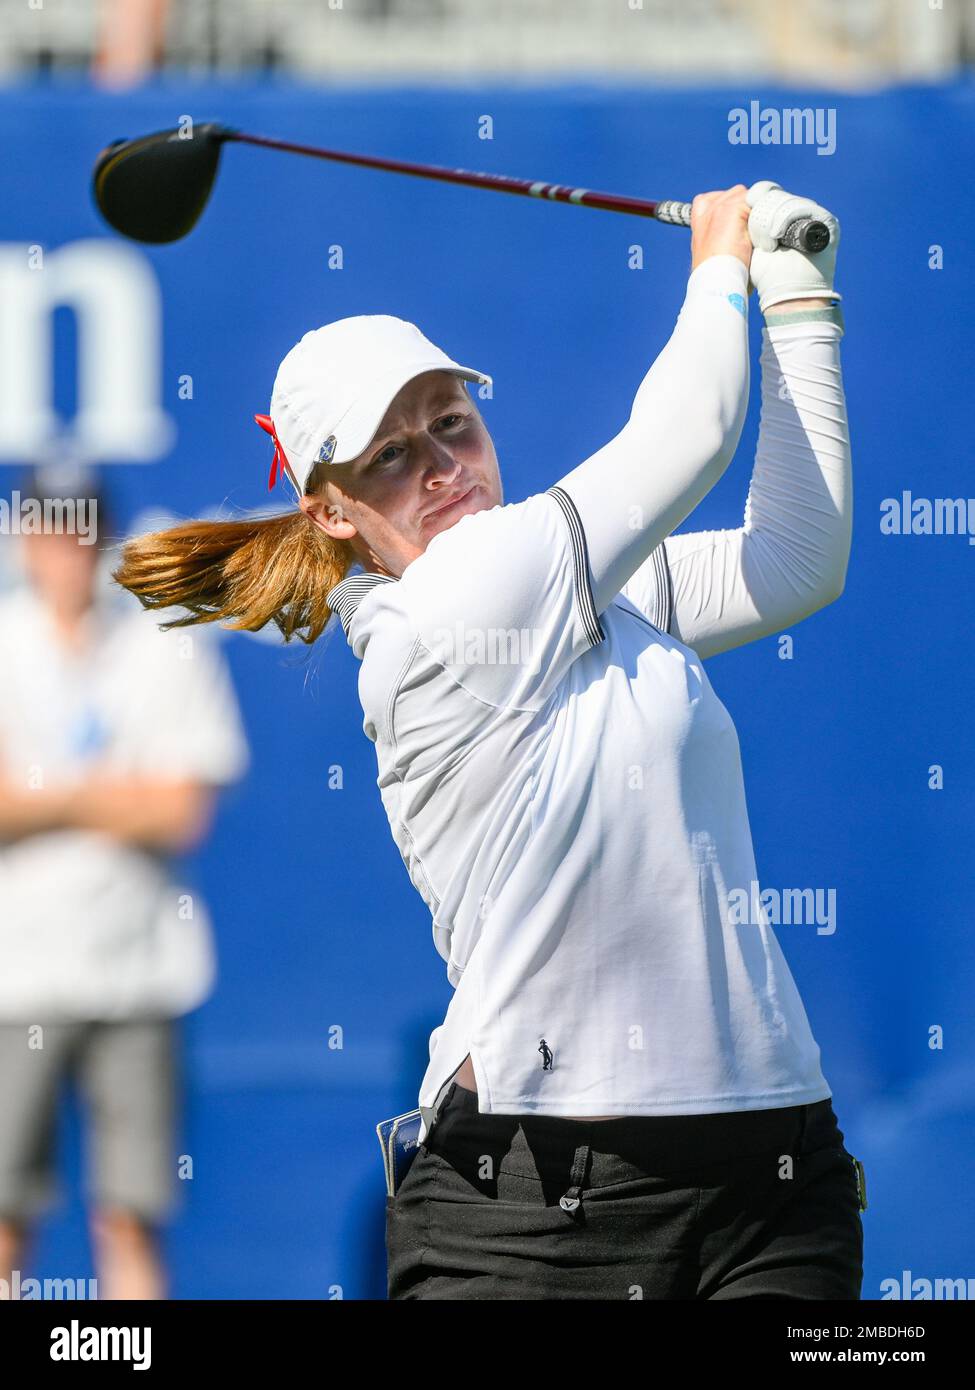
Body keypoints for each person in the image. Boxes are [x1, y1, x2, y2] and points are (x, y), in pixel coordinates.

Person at [112, 180, 861, 1300]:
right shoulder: (448, 608)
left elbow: (796, 560)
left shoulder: (576, 585)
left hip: (771, 1166)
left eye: (450, 422)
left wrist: (799, 300)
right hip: (543, 1201)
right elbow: (692, 431)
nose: (441, 466)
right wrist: (718, 259)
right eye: (390, 459)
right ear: (331, 511)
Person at [0, 466, 250, 1300]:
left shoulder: (161, 643)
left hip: (141, 973)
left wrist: (45, 793)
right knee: (5, 1214)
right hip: (16, 979)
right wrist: (112, 792)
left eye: (81, 534)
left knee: (130, 1213)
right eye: (49, 532)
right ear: (26, 540)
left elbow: (181, 811)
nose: (66, 554)